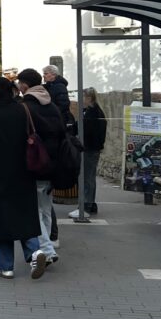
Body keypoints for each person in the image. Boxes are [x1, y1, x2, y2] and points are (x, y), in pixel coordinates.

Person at [0, 77, 47, 278]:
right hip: (25, 170)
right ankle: (34, 252)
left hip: (0, 172)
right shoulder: (23, 110)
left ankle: (5, 266)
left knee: (1, 218)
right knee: (24, 213)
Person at [16, 67, 64, 265]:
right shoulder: (52, 105)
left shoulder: (25, 107)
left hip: (34, 163)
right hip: (52, 164)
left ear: (25, 85)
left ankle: (47, 251)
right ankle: (48, 245)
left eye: (19, 83)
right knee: (45, 209)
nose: (18, 86)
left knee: (33, 211)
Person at [72, 87, 106, 221]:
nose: (80, 100)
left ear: (89, 98)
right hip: (90, 148)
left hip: (90, 148)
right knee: (88, 176)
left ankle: (87, 204)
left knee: (87, 177)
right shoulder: (89, 111)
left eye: (82, 97)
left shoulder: (93, 112)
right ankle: (89, 203)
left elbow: (89, 131)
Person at [42, 64, 74, 130]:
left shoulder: (60, 87)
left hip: (58, 121)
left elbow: (64, 105)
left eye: (46, 73)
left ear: (53, 75)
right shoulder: (49, 86)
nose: (43, 76)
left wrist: (50, 113)